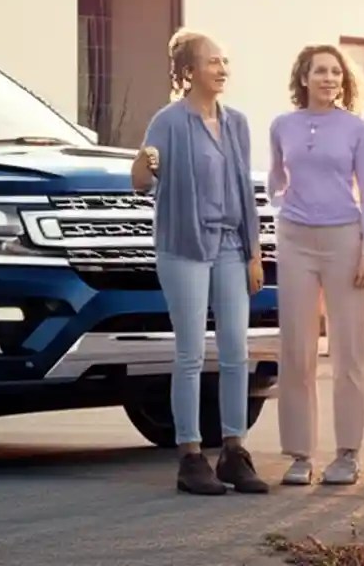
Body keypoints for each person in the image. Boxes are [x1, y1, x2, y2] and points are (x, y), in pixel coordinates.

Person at [131, 28, 269, 496]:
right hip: (183, 247)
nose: (223, 69)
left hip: (231, 246)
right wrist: (146, 162)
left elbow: (245, 193)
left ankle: (233, 451)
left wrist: (254, 252)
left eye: (225, 62)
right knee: (190, 354)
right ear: (189, 72)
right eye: (213, 62)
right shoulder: (168, 122)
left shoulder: (237, 124)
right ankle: (190, 455)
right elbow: (140, 182)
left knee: (236, 353)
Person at [268, 45, 364, 486]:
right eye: (320, 71)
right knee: (296, 349)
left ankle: (348, 453)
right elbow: (276, 177)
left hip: (344, 239)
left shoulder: (359, 129)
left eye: (336, 72)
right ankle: (299, 454)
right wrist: (282, 205)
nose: (329, 78)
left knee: (349, 349)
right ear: (304, 77)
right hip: (295, 239)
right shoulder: (282, 125)